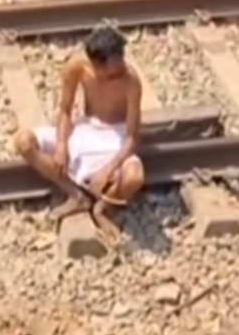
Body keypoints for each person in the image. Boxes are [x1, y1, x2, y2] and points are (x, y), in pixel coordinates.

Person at [13, 25, 145, 232]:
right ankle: (76, 195)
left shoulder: (131, 81)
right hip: (85, 131)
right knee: (24, 141)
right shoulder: (77, 68)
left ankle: (103, 206)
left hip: (115, 139)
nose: (118, 74)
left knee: (135, 177)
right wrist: (61, 144)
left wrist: (108, 169)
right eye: (111, 73)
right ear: (95, 65)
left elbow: (131, 137)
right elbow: (65, 109)